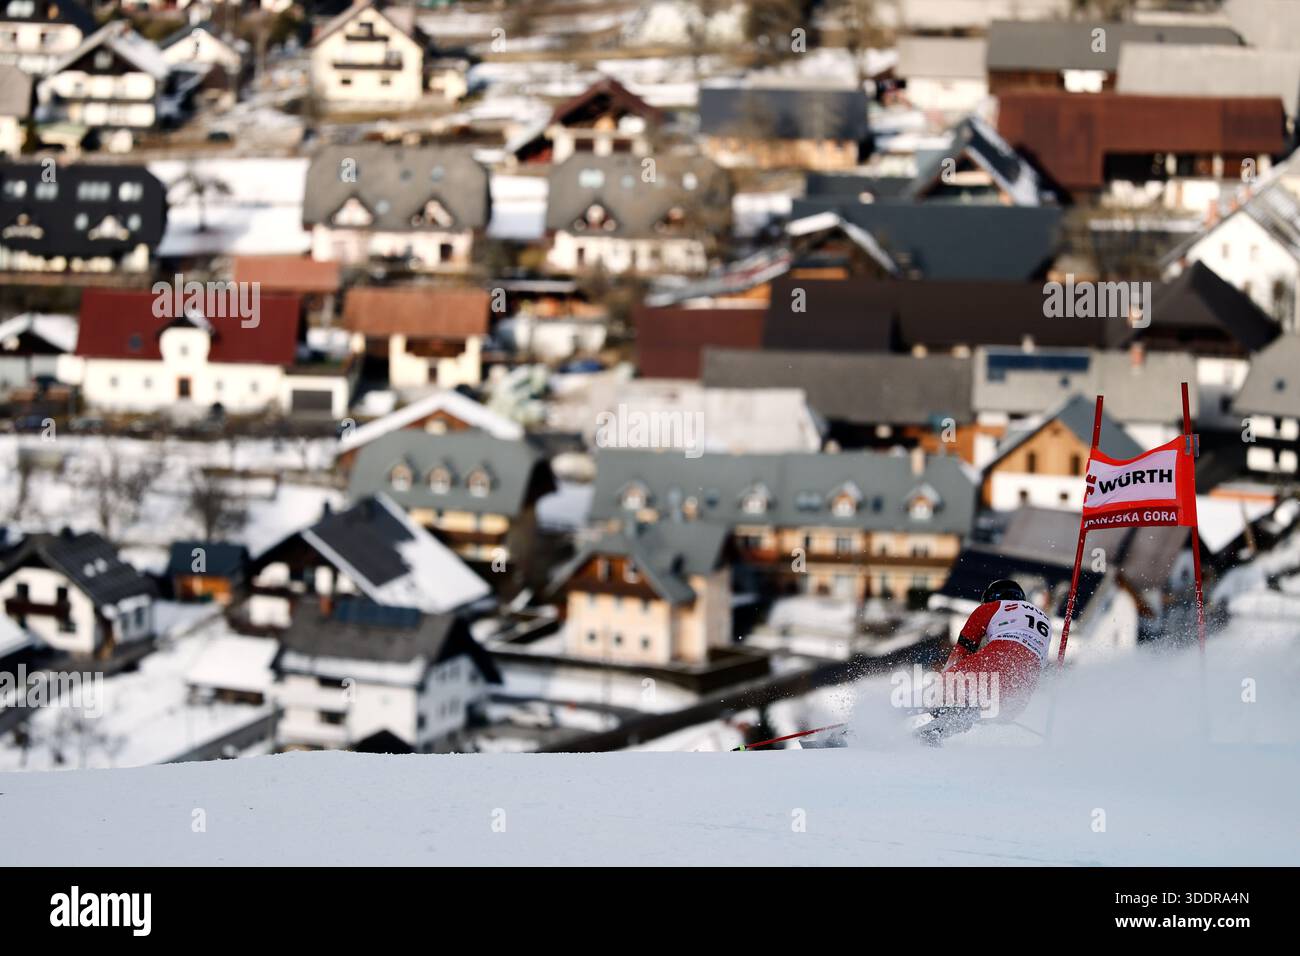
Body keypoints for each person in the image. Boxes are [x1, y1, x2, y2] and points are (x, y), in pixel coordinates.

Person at [918, 579, 1052, 744]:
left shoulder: (991, 607)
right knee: (976, 709)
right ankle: (937, 731)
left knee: (946, 688)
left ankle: (895, 715)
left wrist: (944, 683)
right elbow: (1039, 666)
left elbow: (961, 651)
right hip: (1020, 693)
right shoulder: (1046, 621)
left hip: (999, 659)